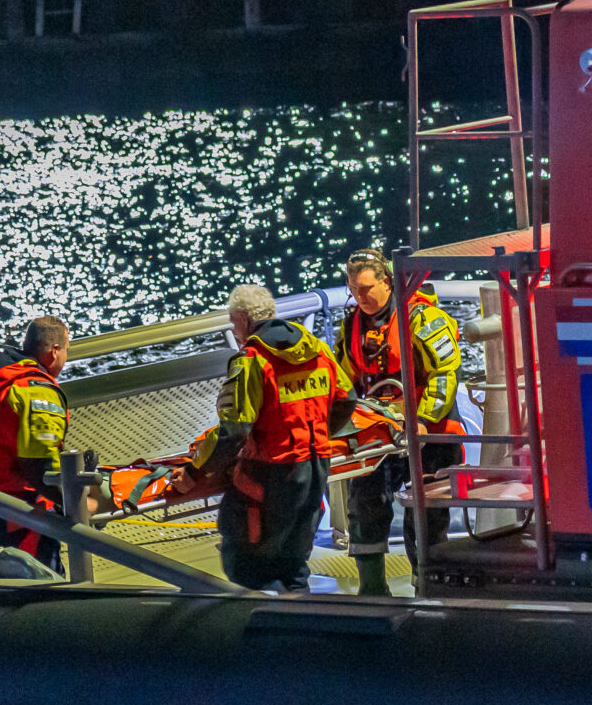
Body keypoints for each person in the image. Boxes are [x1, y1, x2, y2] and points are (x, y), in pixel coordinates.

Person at [176, 284, 354, 592]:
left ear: (244, 320)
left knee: (247, 560)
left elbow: (234, 431)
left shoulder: (252, 360)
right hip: (315, 468)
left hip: (270, 476)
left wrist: (193, 472)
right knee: (295, 560)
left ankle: (262, 626)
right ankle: (302, 622)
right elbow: (347, 399)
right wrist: (320, 434)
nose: (235, 330)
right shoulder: (318, 349)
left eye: (234, 323)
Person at [336, 248, 464, 596]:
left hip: (425, 432)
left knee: (424, 514)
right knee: (364, 506)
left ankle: (429, 586)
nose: (360, 297)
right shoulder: (351, 328)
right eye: (353, 289)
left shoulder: (422, 319)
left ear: (387, 282)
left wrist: (422, 419)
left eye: (366, 288)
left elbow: (445, 373)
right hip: (378, 434)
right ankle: (373, 590)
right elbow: (344, 381)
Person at [0, 315, 71, 571]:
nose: (65, 359)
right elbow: (41, 472)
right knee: (40, 584)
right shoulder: (37, 392)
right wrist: (75, 504)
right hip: (17, 513)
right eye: (66, 351)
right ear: (53, 352)